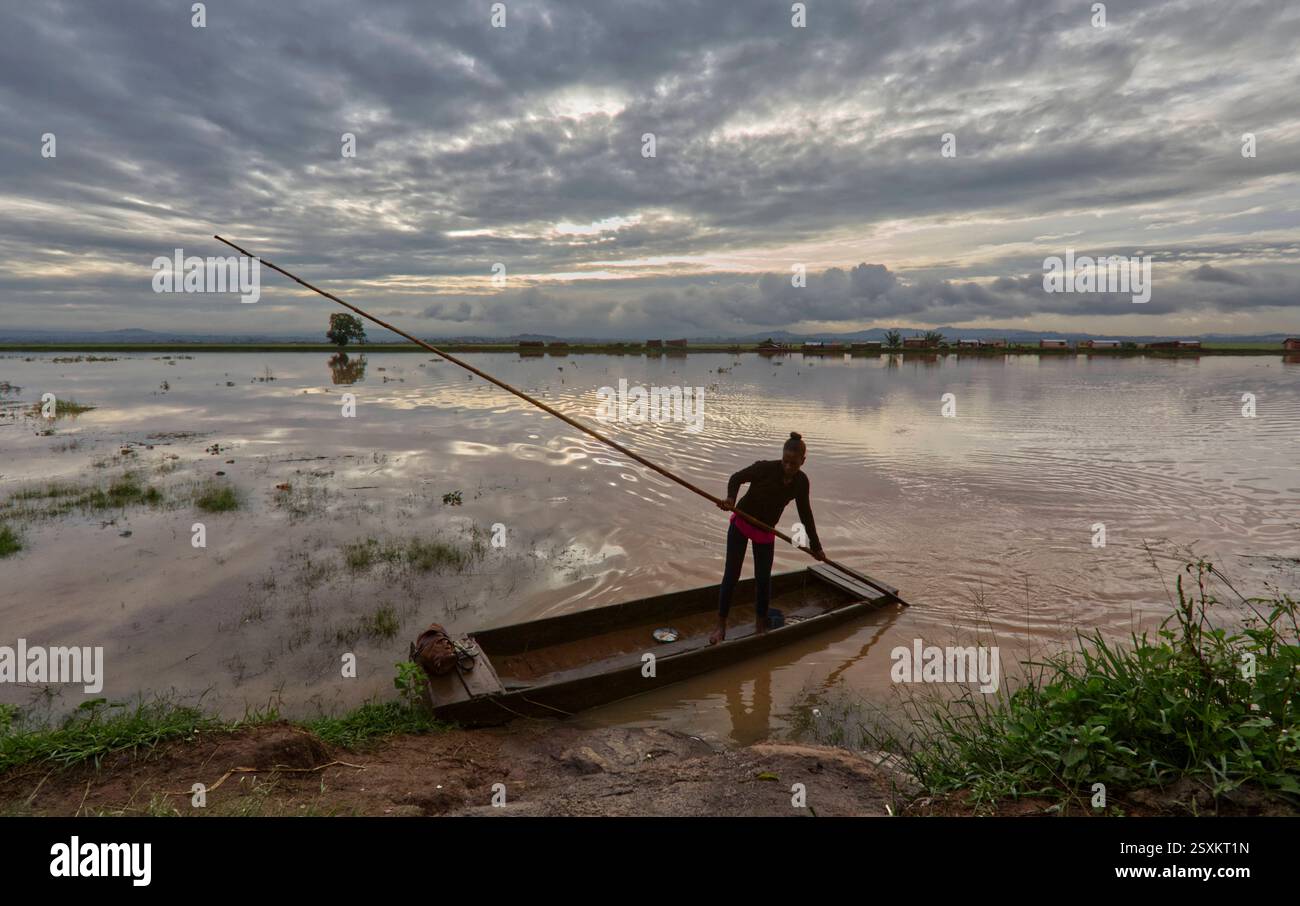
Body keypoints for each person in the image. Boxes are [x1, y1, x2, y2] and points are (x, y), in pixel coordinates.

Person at [710, 432, 826, 645]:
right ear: (781, 457)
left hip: (765, 530)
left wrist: (816, 547)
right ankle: (721, 626)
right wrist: (730, 499)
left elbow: (806, 515)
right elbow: (736, 478)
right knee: (731, 575)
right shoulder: (765, 468)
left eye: (794, 463)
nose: (789, 467)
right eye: (785, 462)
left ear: (803, 461)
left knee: (763, 580)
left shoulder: (801, 482)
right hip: (742, 524)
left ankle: (760, 625)